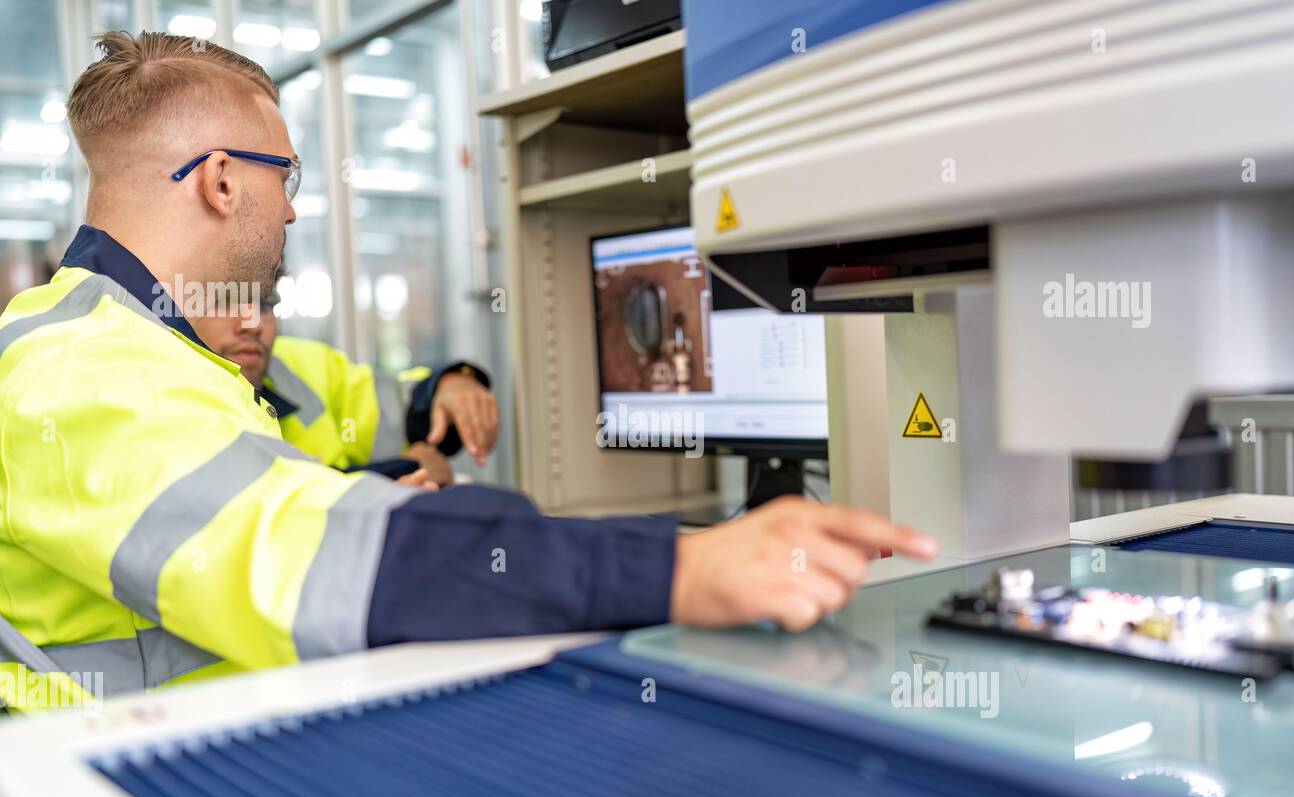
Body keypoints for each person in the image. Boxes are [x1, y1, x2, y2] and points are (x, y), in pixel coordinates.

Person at [0, 32, 936, 713]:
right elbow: (334, 561)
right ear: (220, 180)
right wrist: (682, 565)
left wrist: (435, 392)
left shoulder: (162, 343)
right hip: (115, 786)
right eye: (285, 176)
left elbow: (340, 421)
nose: (290, 213)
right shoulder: (76, 372)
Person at [195, 277, 498, 488]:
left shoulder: (301, 365)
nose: (253, 324)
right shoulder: (167, 392)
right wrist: (396, 475)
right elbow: (265, 510)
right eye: (226, 302)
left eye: (265, 304)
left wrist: (449, 384)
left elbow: (397, 408)